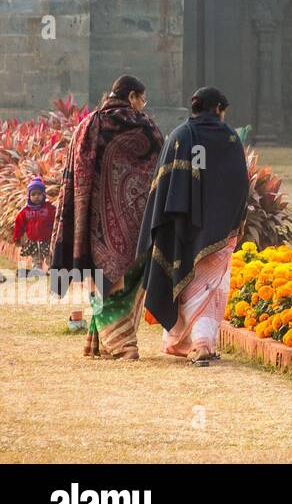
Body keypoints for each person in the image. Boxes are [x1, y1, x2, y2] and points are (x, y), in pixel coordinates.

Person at [49, 75, 164, 359]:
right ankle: (123, 344)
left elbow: (75, 174)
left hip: (95, 224)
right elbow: (158, 167)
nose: (143, 105)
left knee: (100, 281)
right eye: (142, 98)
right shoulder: (146, 126)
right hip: (138, 223)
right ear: (133, 96)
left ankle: (103, 341)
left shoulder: (89, 125)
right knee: (125, 282)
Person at [137, 87, 250, 366]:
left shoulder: (178, 137)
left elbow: (162, 189)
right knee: (209, 288)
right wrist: (232, 222)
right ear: (219, 109)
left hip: (179, 231)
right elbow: (239, 186)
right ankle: (200, 343)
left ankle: (183, 341)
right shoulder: (229, 138)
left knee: (186, 284)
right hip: (218, 235)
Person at [13, 178, 55, 276]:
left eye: (39, 194)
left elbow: (55, 220)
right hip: (33, 240)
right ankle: (37, 269)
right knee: (36, 257)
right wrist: (17, 237)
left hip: (47, 239)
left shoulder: (49, 208)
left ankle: (51, 269)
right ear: (29, 196)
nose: (36, 197)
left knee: (49, 255)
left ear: (43, 195)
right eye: (33, 194)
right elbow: (19, 224)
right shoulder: (25, 212)